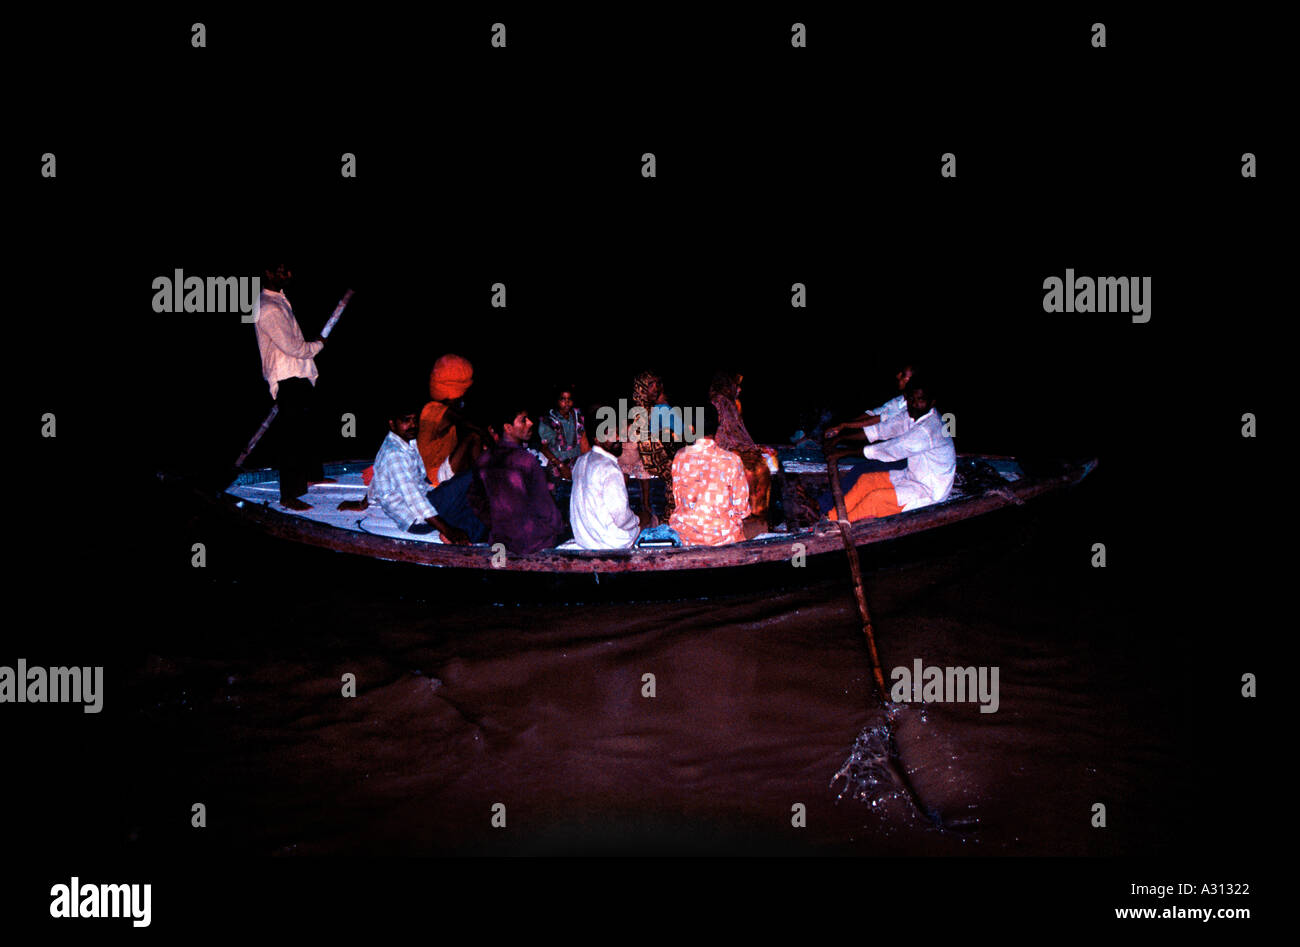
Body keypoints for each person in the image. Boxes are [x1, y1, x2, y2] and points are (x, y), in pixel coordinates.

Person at [825, 374, 955, 522]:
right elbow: (880, 430)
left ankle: (836, 526)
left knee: (876, 499)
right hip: (912, 476)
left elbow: (891, 449)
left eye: (921, 401)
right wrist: (840, 438)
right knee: (867, 480)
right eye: (911, 399)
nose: (914, 404)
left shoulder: (929, 429)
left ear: (932, 403)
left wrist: (843, 453)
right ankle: (831, 517)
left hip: (930, 491)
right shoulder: (910, 415)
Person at [253, 264, 328, 510]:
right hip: (287, 377)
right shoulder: (267, 307)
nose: (289, 275)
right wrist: (317, 345)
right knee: (291, 438)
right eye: (282, 271)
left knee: (308, 429)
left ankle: (313, 475)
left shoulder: (280, 301)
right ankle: (289, 495)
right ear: (268, 273)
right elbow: (293, 348)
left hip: (298, 373)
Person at [340, 404, 471, 543]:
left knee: (466, 490)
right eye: (405, 420)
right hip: (418, 521)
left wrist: (363, 504)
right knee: (469, 478)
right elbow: (415, 500)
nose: (412, 425)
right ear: (392, 424)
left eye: (415, 420)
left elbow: (379, 479)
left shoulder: (404, 441)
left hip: (425, 501)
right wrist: (447, 531)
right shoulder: (395, 454)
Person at [469, 404, 562, 554]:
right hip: (533, 541)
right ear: (508, 427)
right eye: (523, 420)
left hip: (501, 540)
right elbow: (545, 509)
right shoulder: (526, 461)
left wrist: (496, 523)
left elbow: (475, 498)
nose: (531, 423)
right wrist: (558, 527)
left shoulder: (483, 459)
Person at [668, 402, 750, 546]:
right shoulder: (732, 460)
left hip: (686, 536)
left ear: (691, 428)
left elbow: (678, 501)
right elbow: (742, 509)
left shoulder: (680, 457)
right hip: (723, 538)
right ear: (718, 424)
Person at [568, 407, 642, 549]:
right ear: (596, 439)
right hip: (609, 542)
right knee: (648, 519)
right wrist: (638, 520)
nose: (619, 438)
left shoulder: (581, 461)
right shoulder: (609, 469)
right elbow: (622, 518)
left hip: (584, 539)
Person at [708, 371, 773, 520]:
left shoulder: (733, 404)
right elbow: (721, 433)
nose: (739, 389)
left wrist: (751, 448)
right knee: (749, 471)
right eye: (736, 385)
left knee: (761, 468)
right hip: (723, 448)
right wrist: (739, 449)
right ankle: (746, 514)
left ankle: (758, 513)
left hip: (736, 447)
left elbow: (739, 431)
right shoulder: (717, 403)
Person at [823, 363, 917, 448]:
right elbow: (874, 413)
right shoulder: (898, 400)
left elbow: (877, 421)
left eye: (903, 375)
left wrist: (844, 427)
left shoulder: (913, 407)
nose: (898, 376)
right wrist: (840, 426)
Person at [632, 371, 681, 518]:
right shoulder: (640, 414)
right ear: (641, 388)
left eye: (657, 384)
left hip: (662, 479)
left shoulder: (656, 410)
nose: (656, 388)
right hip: (654, 482)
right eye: (650, 384)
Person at [536, 386, 589, 482]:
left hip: (578, 459)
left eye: (569, 399)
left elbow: (584, 439)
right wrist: (561, 465)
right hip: (557, 461)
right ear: (556, 400)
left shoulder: (578, 415)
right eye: (563, 399)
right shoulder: (549, 421)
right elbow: (544, 448)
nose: (567, 402)